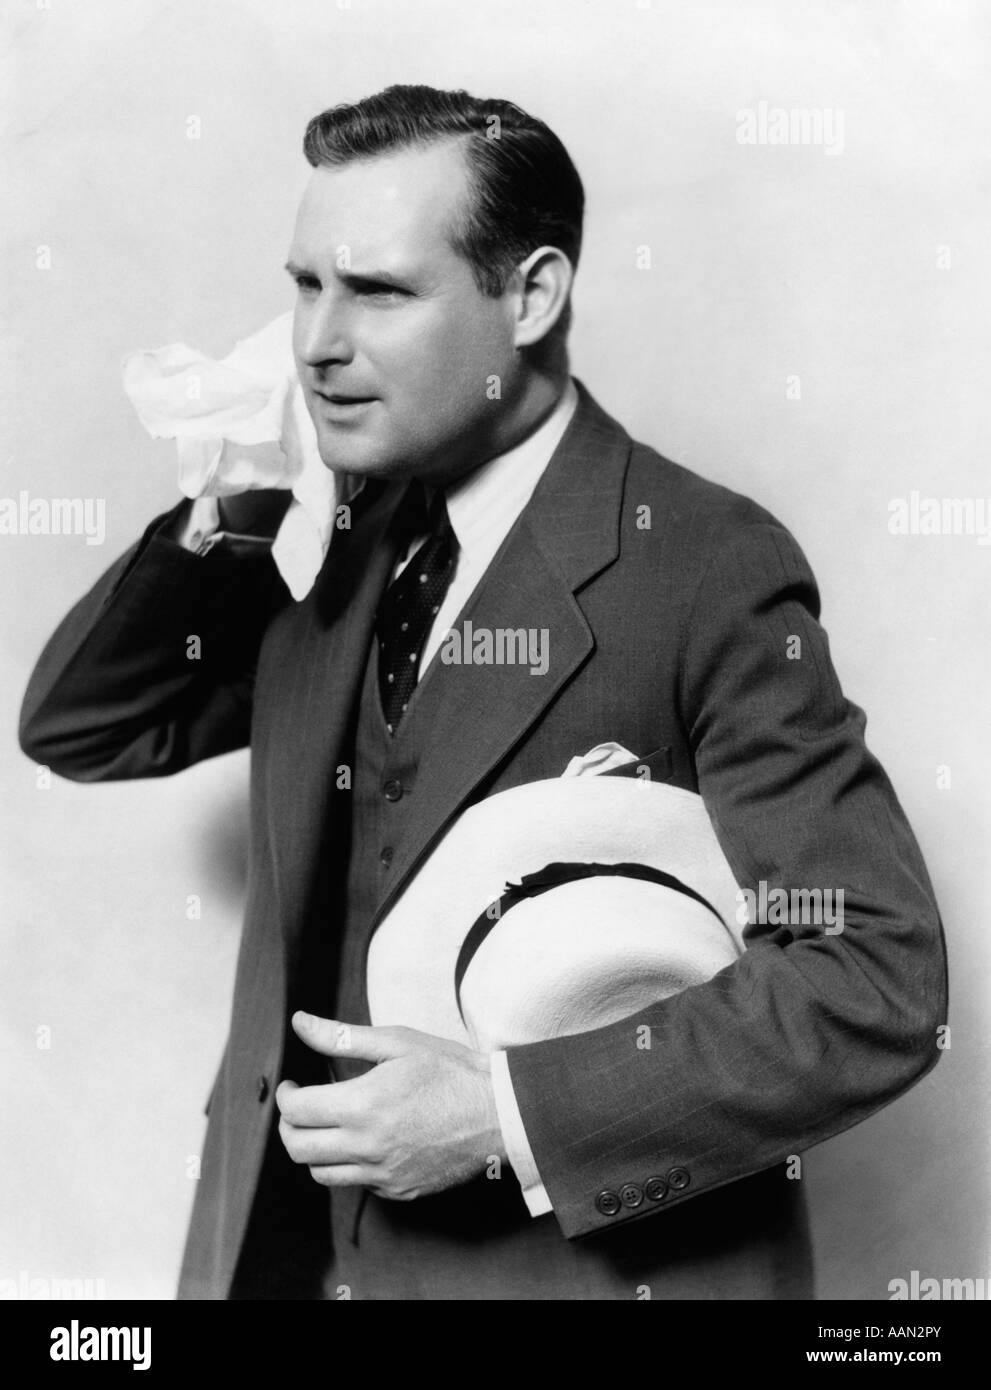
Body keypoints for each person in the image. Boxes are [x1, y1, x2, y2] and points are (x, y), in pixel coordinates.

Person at [19, 83, 947, 1301]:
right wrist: (237, 490)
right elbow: (87, 723)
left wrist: (508, 1112)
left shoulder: (702, 562)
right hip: (282, 1266)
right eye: (305, 284)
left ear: (532, 296)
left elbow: (874, 981)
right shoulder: (324, 529)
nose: (314, 343)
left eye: (379, 292)